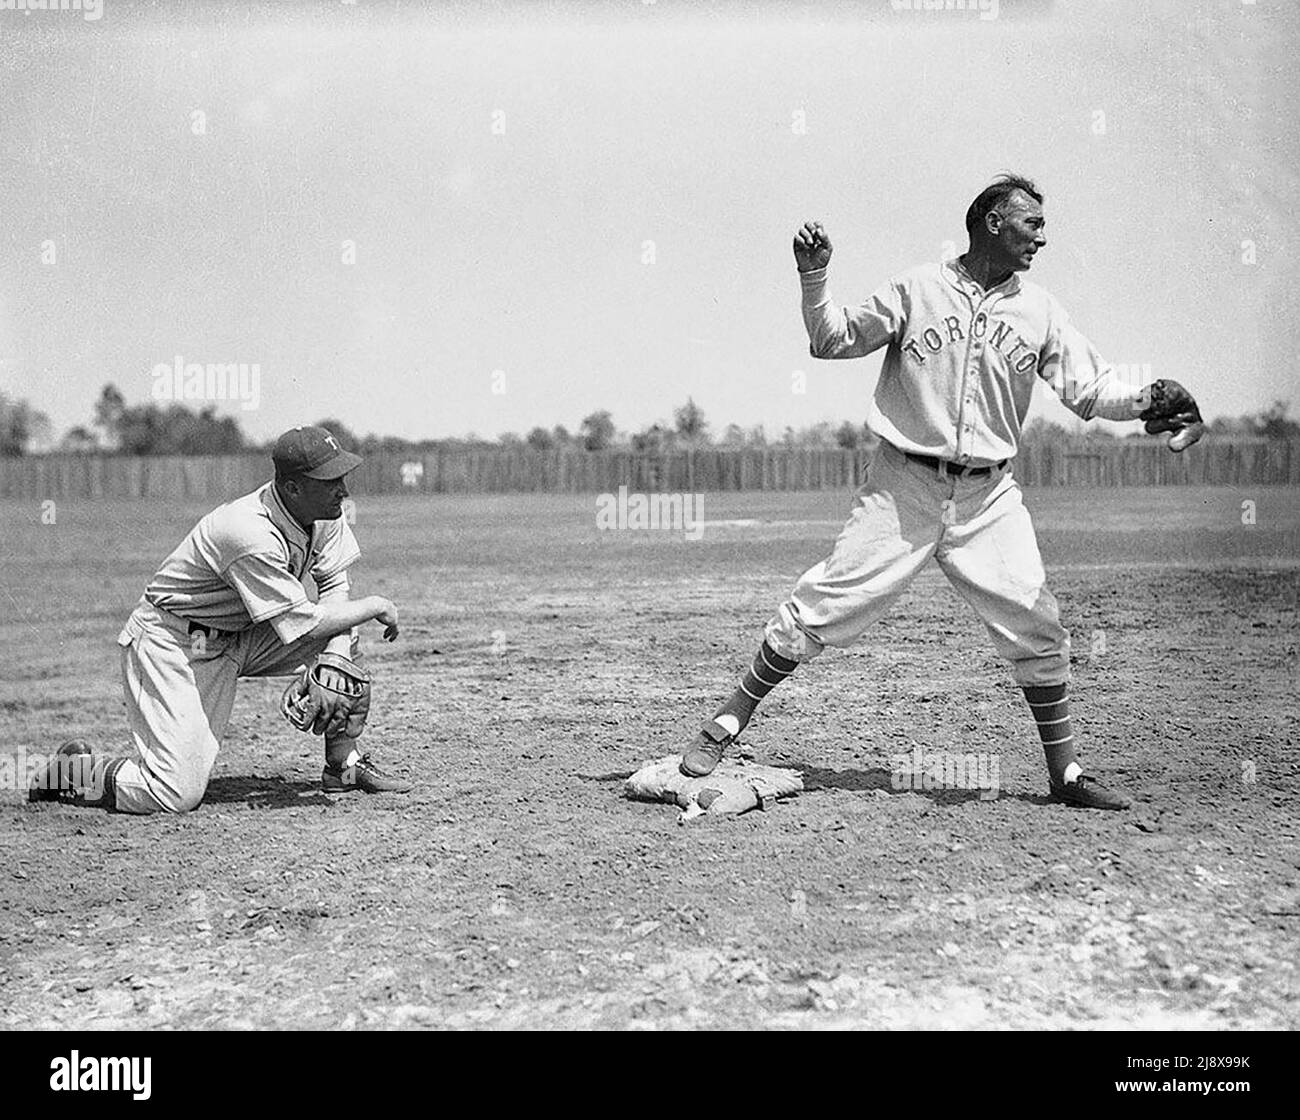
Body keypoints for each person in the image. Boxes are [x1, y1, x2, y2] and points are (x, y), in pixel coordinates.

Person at [679, 174, 1204, 810]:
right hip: (904, 486)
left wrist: (1151, 398)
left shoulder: (1038, 310)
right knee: (821, 606)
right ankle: (727, 722)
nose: (1043, 235)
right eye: (1032, 223)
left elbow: (1088, 389)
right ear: (992, 224)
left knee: (1038, 625)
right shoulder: (917, 288)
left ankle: (1066, 777)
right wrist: (813, 279)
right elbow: (831, 339)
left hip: (989, 497)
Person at [30, 425, 410, 812]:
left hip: (243, 634)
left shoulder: (324, 510)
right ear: (293, 488)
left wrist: (336, 657)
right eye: (330, 480)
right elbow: (301, 624)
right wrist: (376, 604)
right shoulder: (247, 531)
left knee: (341, 641)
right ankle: (74, 773)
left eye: (342, 476)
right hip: (176, 642)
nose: (343, 490)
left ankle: (342, 766)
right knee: (173, 794)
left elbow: (333, 588)